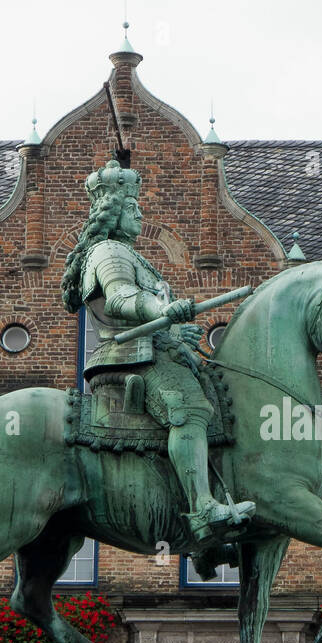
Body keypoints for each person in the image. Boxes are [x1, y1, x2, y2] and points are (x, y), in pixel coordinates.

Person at [61, 160, 255, 543]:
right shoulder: (109, 252)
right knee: (190, 410)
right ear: (115, 214)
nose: (140, 213)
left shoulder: (130, 253)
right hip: (131, 356)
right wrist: (162, 311)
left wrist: (177, 328)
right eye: (133, 208)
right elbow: (119, 298)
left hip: (151, 349)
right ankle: (202, 509)